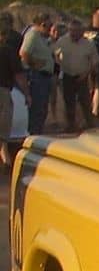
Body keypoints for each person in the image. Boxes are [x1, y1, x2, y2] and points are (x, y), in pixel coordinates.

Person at [54, 19, 98, 133]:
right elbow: (54, 54)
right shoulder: (62, 41)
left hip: (82, 76)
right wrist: (61, 65)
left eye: (77, 31)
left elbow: (95, 61)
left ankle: (90, 123)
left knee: (85, 102)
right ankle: (70, 125)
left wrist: (86, 73)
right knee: (69, 102)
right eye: (72, 31)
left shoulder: (88, 44)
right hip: (68, 75)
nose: (74, 34)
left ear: (82, 32)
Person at [0, 13, 29, 168]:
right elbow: (19, 75)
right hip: (4, 91)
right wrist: (26, 94)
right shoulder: (8, 51)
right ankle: (5, 156)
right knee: (4, 126)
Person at [19, 14, 54, 134]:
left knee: (42, 109)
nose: (50, 29)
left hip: (44, 76)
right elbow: (24, 53)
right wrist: (33, 64)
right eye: (49, 26)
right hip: (37, 76)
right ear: (42, 24)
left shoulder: (42, 37)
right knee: (37, 109)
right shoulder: (33, 34)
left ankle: (37, 132)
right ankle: (33, 134)